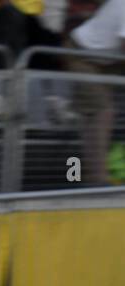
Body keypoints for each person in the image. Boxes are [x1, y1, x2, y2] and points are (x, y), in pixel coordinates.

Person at [63, 0, 125, 186]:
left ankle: (91, 174)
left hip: (108, 60)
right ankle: (97, 179)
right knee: (101, 112)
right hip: (82, 54)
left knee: (96, 115)